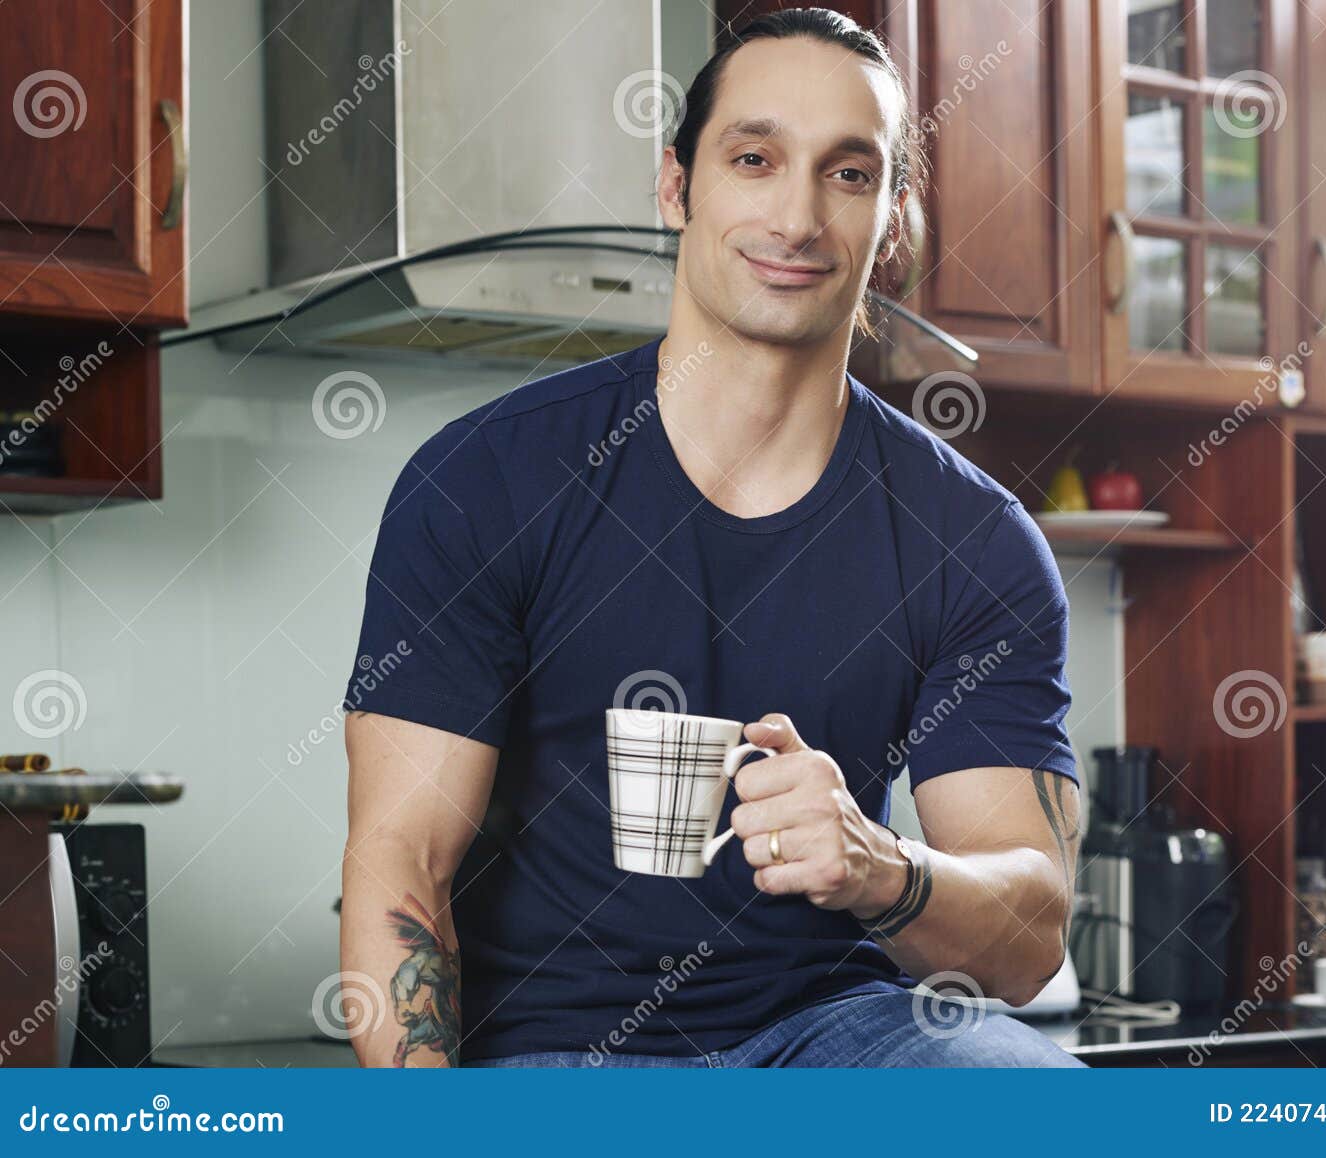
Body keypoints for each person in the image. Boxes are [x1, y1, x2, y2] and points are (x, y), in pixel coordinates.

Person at [340, 7, 1083, 1068]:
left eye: (848, 173)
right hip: (561, 1053)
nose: (796, 217)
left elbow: (1025, 943)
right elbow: (399, 859)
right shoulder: (484, 481)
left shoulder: (974, 541)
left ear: (895, 220)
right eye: (752, 158)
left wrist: (880, 867)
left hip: (845, 1037)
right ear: (676, 185)